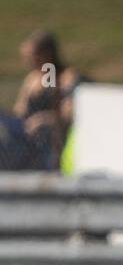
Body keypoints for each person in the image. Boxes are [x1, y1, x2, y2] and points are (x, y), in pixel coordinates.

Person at [13, 30, 80, 169]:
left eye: (33, 56)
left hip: (56, 143)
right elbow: (19, 111)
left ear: (47, 54)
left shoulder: (65, 77)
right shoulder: (32, 79)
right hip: (30, 146)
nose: (28, 61)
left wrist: (43, 119)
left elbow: (70, 113)